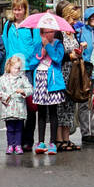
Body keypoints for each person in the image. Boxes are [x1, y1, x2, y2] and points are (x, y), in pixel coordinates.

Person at [2, 0, 38, 142]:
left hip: (27, 69)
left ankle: (28, 140)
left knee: (29, 106)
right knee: (14, 105)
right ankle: (17, 140)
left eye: (20, 9)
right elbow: (5, 45)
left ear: (25, 9)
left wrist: (30, 62)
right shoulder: (8, 25)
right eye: (15, 9)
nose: (17, 12)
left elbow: (36, 45)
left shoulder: (31, 26)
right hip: (12, 70)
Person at [29, 27, 67, 155]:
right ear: (41, 34)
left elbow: (58, 58)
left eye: (51, 32)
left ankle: (52, 142)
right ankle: (40, 141)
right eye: (45, 32)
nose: (48, 35)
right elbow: (32, 62)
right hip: (40, 78)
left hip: (52, 81)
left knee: (53, 112)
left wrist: (48, 48)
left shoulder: (58, 44)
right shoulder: (37, 45)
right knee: (41, 112)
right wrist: (41, 54)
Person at [54, 1, 86, 150]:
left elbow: (74, 51)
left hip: (73, 73)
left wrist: (80, 49)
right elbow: (57, 54)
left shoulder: (72, 32)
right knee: (60, 106)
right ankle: (59, 139)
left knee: (69, 106)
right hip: (62, 72)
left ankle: (66, 138)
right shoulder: (58, 32)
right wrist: (70, 55)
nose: (75, 22)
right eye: (72, 19)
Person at [76, 7, 94, 141]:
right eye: (92, 17)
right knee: (83, 102)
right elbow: (74, 49)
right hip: (84, 69)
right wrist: (80, 47)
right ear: (87, 19)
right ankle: (85, 132)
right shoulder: (81, 31)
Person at [0, 53, 31, 156]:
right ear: (9, 67)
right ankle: (10, 145)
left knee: (19, 128)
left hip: (20, 108)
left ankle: (18, 145)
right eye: (15, 68)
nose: (17, 70)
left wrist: (23, 91)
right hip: (8, 108)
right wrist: (6, 96)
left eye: (19, 68)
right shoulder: (3, 78)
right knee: (10, 128)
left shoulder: (23, 78)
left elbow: (30, 89)